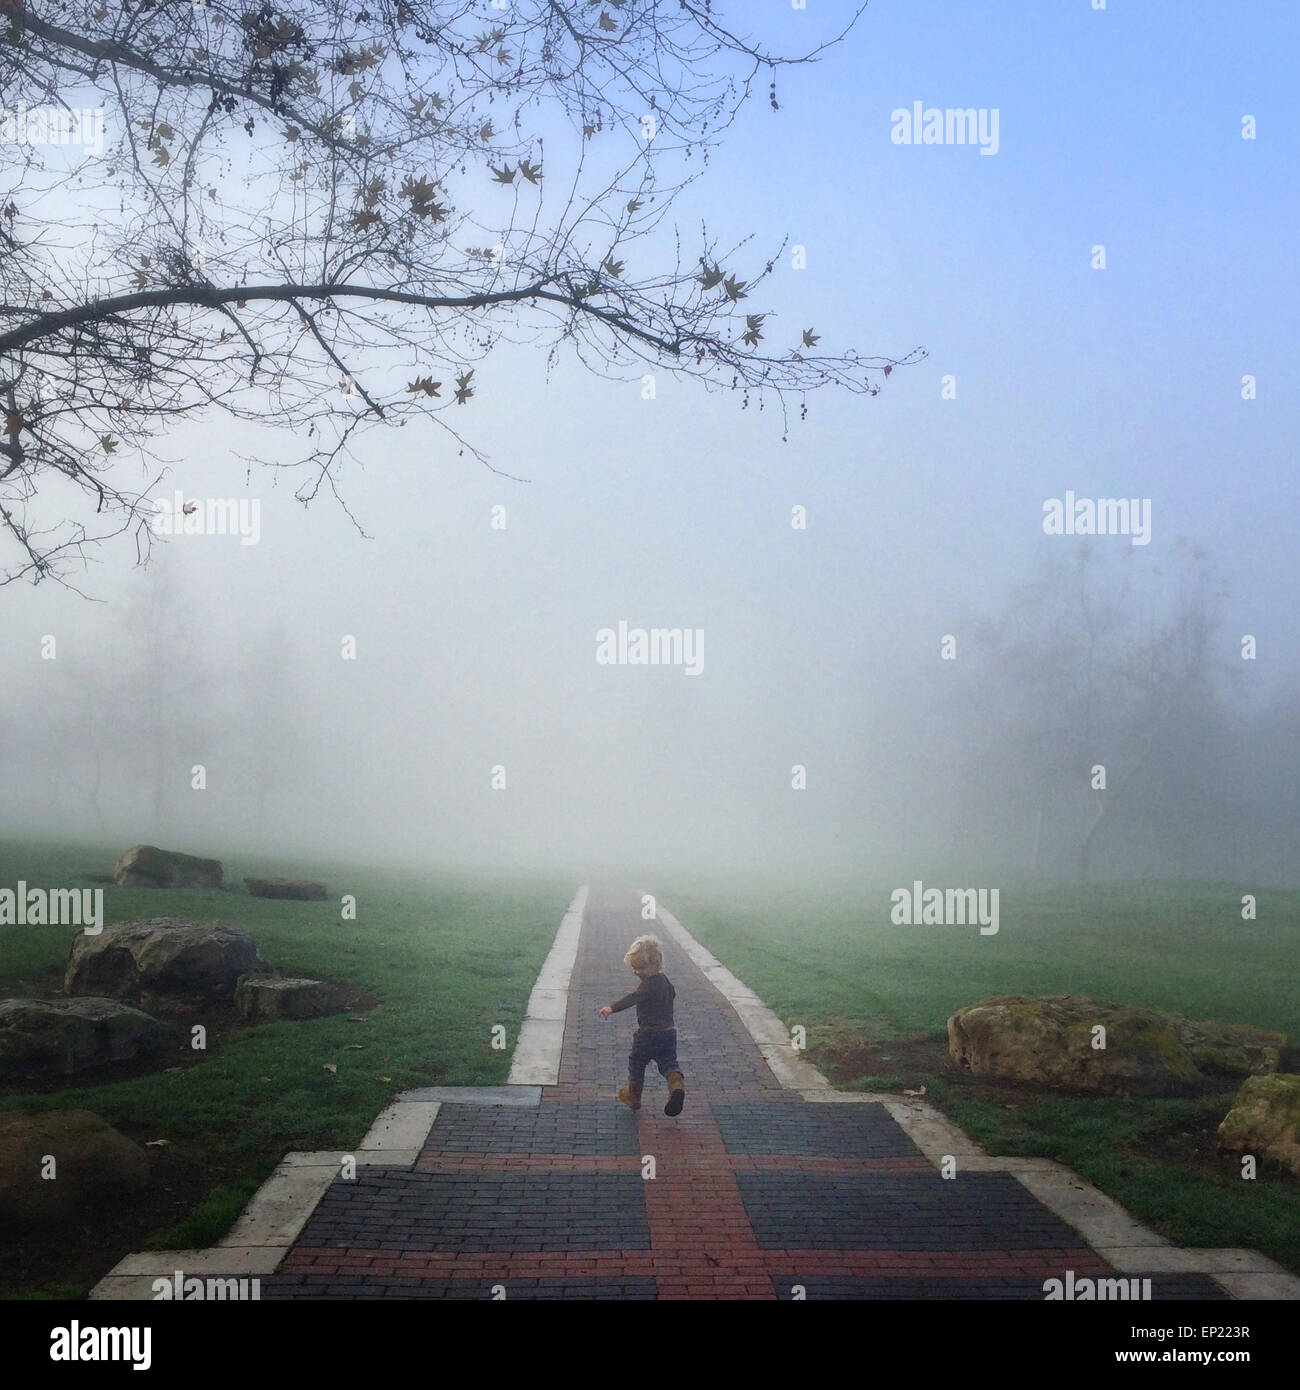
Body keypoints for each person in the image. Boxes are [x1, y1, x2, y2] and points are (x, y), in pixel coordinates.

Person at [599, 934, 686, 1116]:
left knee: (637, 1062)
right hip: (668, 1032)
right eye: (634, 968)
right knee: (669, 1063)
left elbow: (633, 998)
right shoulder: (665, 981)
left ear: (654, 965)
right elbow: (673, 994)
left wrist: (611, 1008)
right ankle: (676, 1085)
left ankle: (634, 1096)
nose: (636, 972)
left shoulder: (648, 986)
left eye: (639, 968)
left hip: (648, 1034)